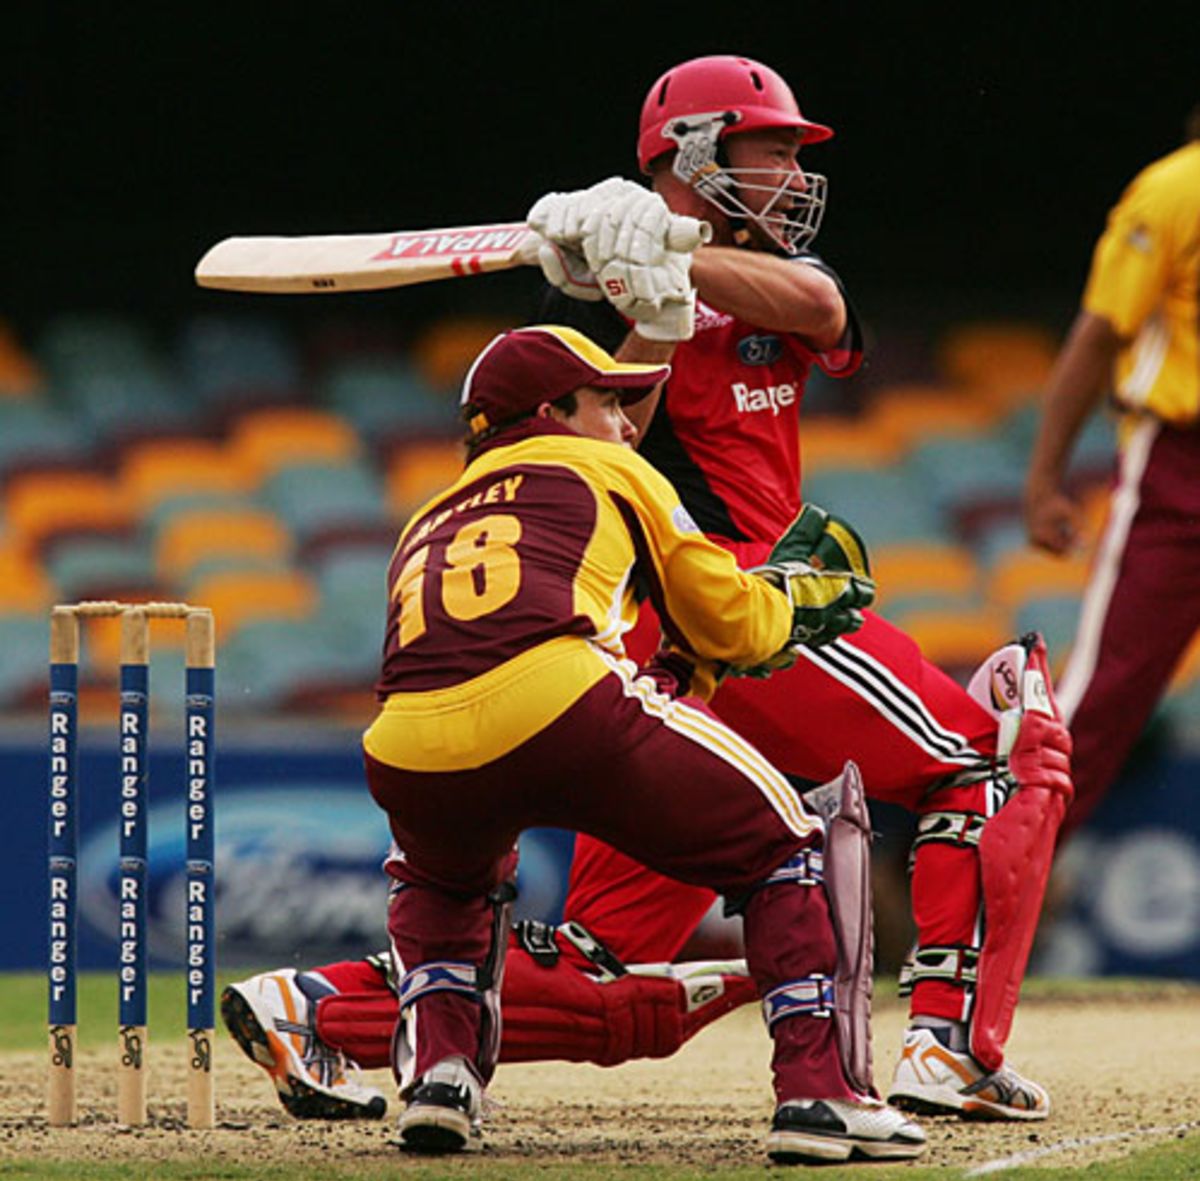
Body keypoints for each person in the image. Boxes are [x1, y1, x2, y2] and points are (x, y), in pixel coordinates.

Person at [223, 54, 1073, 1127]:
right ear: (694, 153)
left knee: (610, 981)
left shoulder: (764, 275)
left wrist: (675, 255)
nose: (789, 177)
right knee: (987, 757)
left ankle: (324, 1006)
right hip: (724, 606)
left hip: (656, 675)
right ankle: (949, 1047)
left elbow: (821, 303)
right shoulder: (579, 294)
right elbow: (603, 425)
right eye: (770, 153)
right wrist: (614, 284)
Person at [313, 320, 924, 1162]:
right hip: (561, 703)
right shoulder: (611, 466)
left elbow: (465, 650)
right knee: (789, 845)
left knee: (445, 886)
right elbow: (728, 616)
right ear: (552, 408)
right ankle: (821, 1094)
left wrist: (680, 671)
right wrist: (786, 602)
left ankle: (444, 1079)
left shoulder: (428, 511)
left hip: (406, 744)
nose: (630, 422)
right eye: (607, 400)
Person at [1024, 104, 1200, 843]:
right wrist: (1044, 479)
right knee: (1096, 705)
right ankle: (982, 913)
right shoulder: (1175, 190)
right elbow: (1099, 333)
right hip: (1180, 470)